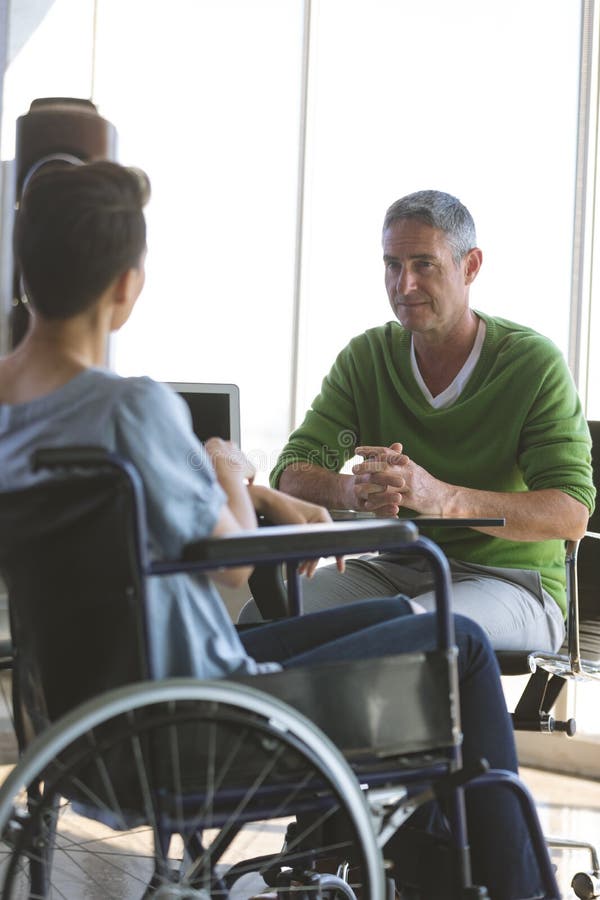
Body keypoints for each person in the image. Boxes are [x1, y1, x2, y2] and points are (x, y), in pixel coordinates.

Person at [0, 162, 555, 898]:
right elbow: (228, 564)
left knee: (393, 618)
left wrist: (265, 492)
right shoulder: (132, 408)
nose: (405, 281)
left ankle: (401, 859)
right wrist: (228, 467)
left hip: (79, 712)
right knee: (460, 643)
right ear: (127, 286)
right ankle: (514, 888)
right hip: (197, 711)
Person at [251, 189, 596, 653]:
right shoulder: (367, 357)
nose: (404, 284)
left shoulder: (532, 364)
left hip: (517, 587)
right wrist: (351, 491)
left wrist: (439, 497)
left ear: (470, 266)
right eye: (393, 265)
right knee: (264, 615)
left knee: (403, 633)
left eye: (423, 265)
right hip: (400, 566)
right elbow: (291, 471)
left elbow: (571, 513)